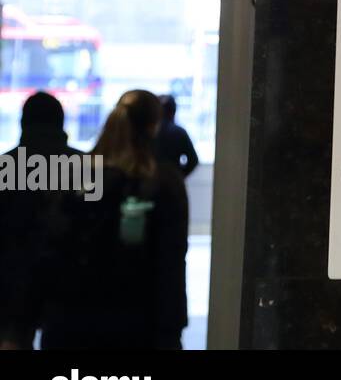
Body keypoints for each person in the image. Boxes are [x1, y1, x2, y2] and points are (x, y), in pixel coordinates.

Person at [38, 90, 188, 350]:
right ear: (154, 127)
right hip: (137, 324)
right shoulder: (163, 183)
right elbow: (171, 263)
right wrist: (170, 333)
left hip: (71, 322)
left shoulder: (76, 175)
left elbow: (49, 248)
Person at [0, 93, 84, 348]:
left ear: (24, 122)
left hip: (12, 281)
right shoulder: (82, 165)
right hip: (69, 281)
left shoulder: (6, 165)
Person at [155, 94, 199, 178]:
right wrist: (179, 175)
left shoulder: (147, 133)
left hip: (149, 183)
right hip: (172, 184)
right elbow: (193, 160)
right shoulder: (179, 132)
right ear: (173, 111)